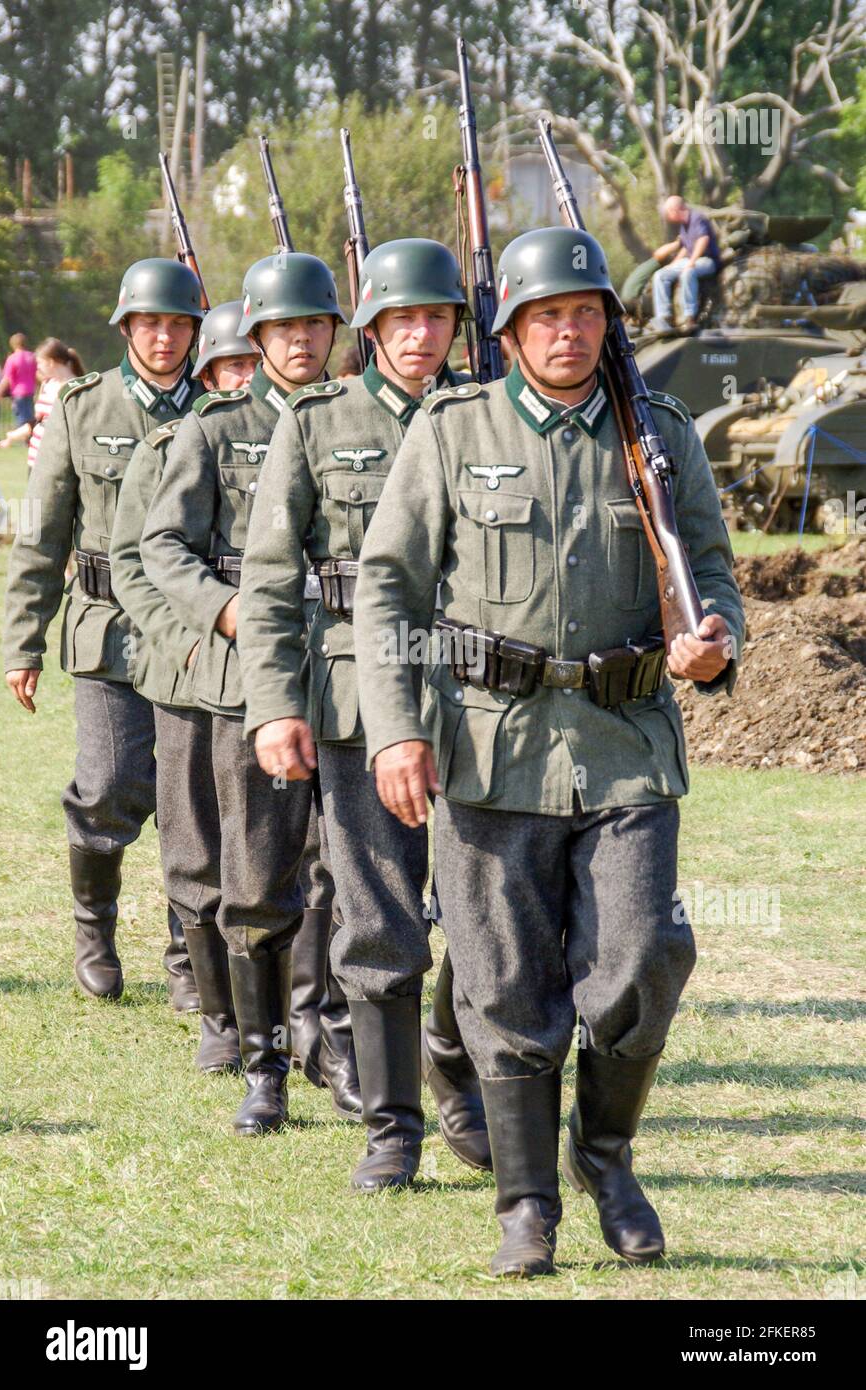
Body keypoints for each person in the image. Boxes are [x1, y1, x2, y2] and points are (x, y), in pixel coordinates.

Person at [351, 225, 745, 1275]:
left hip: (625, 743)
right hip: (493, 745)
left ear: (609, 326)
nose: (568, 332)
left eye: (586, 314)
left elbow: (710, 567)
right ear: (512, 330)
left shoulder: (658, 432)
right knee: (504, 984)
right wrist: (394, 726)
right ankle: (527, 1205)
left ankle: (605, 1156)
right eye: (546, 316)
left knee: (641, 960)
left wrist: (715, 643)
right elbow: (387, 584)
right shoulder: (451, 429)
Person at [236, 239, 492, 1191]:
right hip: (352, 699)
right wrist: (273, 706)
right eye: (402, 320)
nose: (421, 335)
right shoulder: (317, 420)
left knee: (487, 920)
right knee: (380, 919)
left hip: (479, 700)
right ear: (372, 328)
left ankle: (458, 1071)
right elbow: (267, 581)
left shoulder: (490, 415)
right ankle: (393, 1127)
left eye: (437, 318)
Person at [139, 252, 361, 1135]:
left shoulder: (357, 419)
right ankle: (261, 1062)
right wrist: (226, 613)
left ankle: (329, 1037)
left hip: (346, 676)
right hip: (249, 681)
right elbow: (161, 548)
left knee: (345, 870)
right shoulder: (212, 430)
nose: (300, 340)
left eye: (314, 326)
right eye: (282, 328)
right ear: (258, 336)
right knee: (260, 875)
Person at [2, 260, 205, 1009]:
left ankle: (190, 954)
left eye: (179, 323)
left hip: (192, 639)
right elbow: (42, 534)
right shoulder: (84, 410)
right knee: (112, 782)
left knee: (196, 800)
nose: (164, 336)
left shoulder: (218, 407)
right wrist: (23, 642)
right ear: (125, 328)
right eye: (150, 322)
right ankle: (95, 928)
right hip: (107, 630)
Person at [110, 301, 259, 1076]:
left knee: (271, 849)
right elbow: (135, 562)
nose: (245, 379)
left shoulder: (287, 441)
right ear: (207, 376)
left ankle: (289, 1009)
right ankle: (217, 1014)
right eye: (231, 367)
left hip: (271, 680)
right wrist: (190, 642)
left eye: (251, 365)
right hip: (186, 675)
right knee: (195, 842)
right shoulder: (170, 444)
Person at [0, 340, 85, 464]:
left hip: (55, 461)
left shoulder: (74, 389)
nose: (37, 367)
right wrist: (13, 436)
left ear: (50, 362)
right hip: (36, 459)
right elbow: (39, 422)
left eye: (39, 362)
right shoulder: (47, 384)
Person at [649, 196, 721, 335]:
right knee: (660, 275)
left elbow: (703, 240)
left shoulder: (697, 218)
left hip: (707, 260)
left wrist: (691, 262)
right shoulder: (684, 225)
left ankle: (689, 318)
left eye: (669, 212)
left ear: (675, 209)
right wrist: (674, 264)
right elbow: (685, 247)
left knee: (688, 273)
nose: (668, 216)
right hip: (691, 259)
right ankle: (664, 317)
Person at [0, 333, 38, 429]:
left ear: (12, 344)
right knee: (30, 417)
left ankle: (26, 439)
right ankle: (32, 438)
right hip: (31, 391)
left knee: (22, 419)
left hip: (18, 393)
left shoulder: (12, 358)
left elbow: (7, 378)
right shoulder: (32, 357)